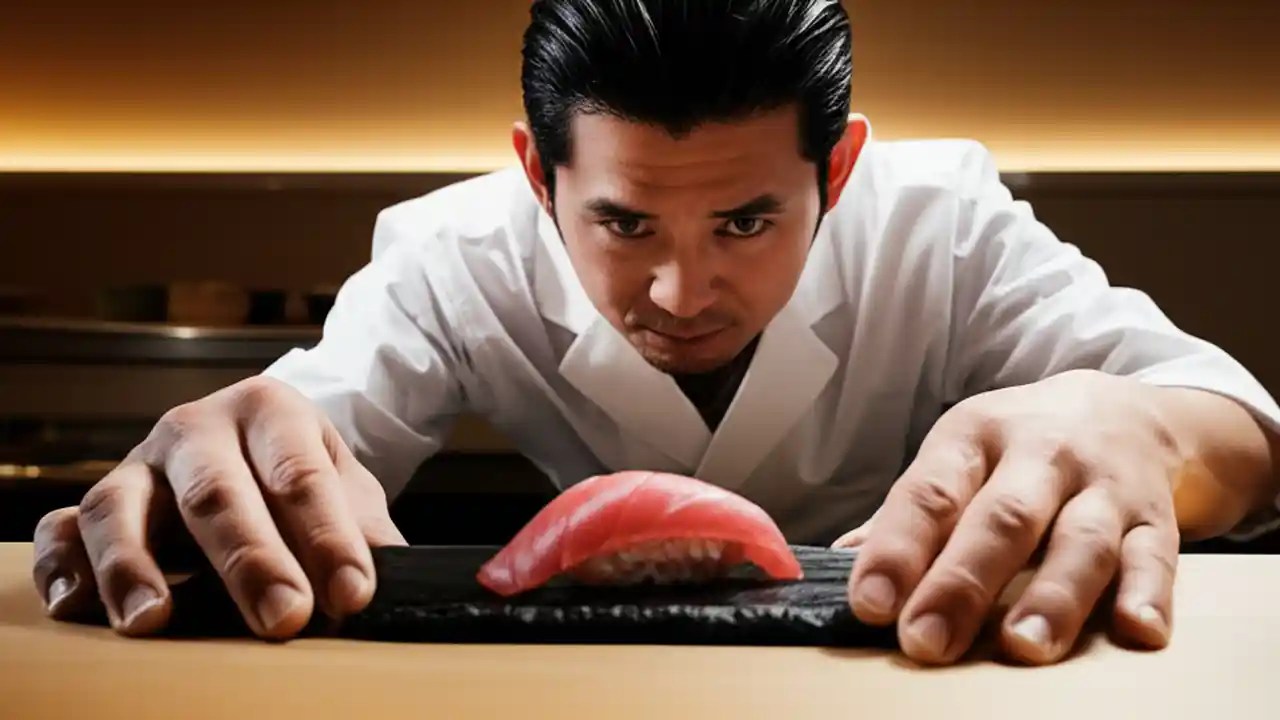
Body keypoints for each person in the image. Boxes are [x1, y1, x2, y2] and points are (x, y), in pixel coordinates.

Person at [30, 0, 1280, 666]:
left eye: (746, 220)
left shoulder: (939, 222)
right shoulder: (452, 251)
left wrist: (1131, 419)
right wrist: (226, 461)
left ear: (837, 168)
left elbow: (1239, 431)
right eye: (623, 223)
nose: (680, 293)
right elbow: (308, 432)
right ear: (539, 173)